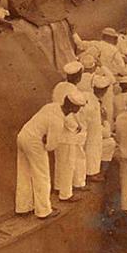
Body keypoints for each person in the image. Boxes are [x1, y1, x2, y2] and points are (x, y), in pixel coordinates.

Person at [15, 89, 85, 219]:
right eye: (78, 107)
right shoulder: (57, 121)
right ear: (73, 108)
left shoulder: (52, 106)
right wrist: (46, 140)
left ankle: (23, 207)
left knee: (24, 172)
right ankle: (44, 211)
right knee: (42, 175)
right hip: (34, 142)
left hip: (22, 135)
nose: (79, 109)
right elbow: (51, 146)